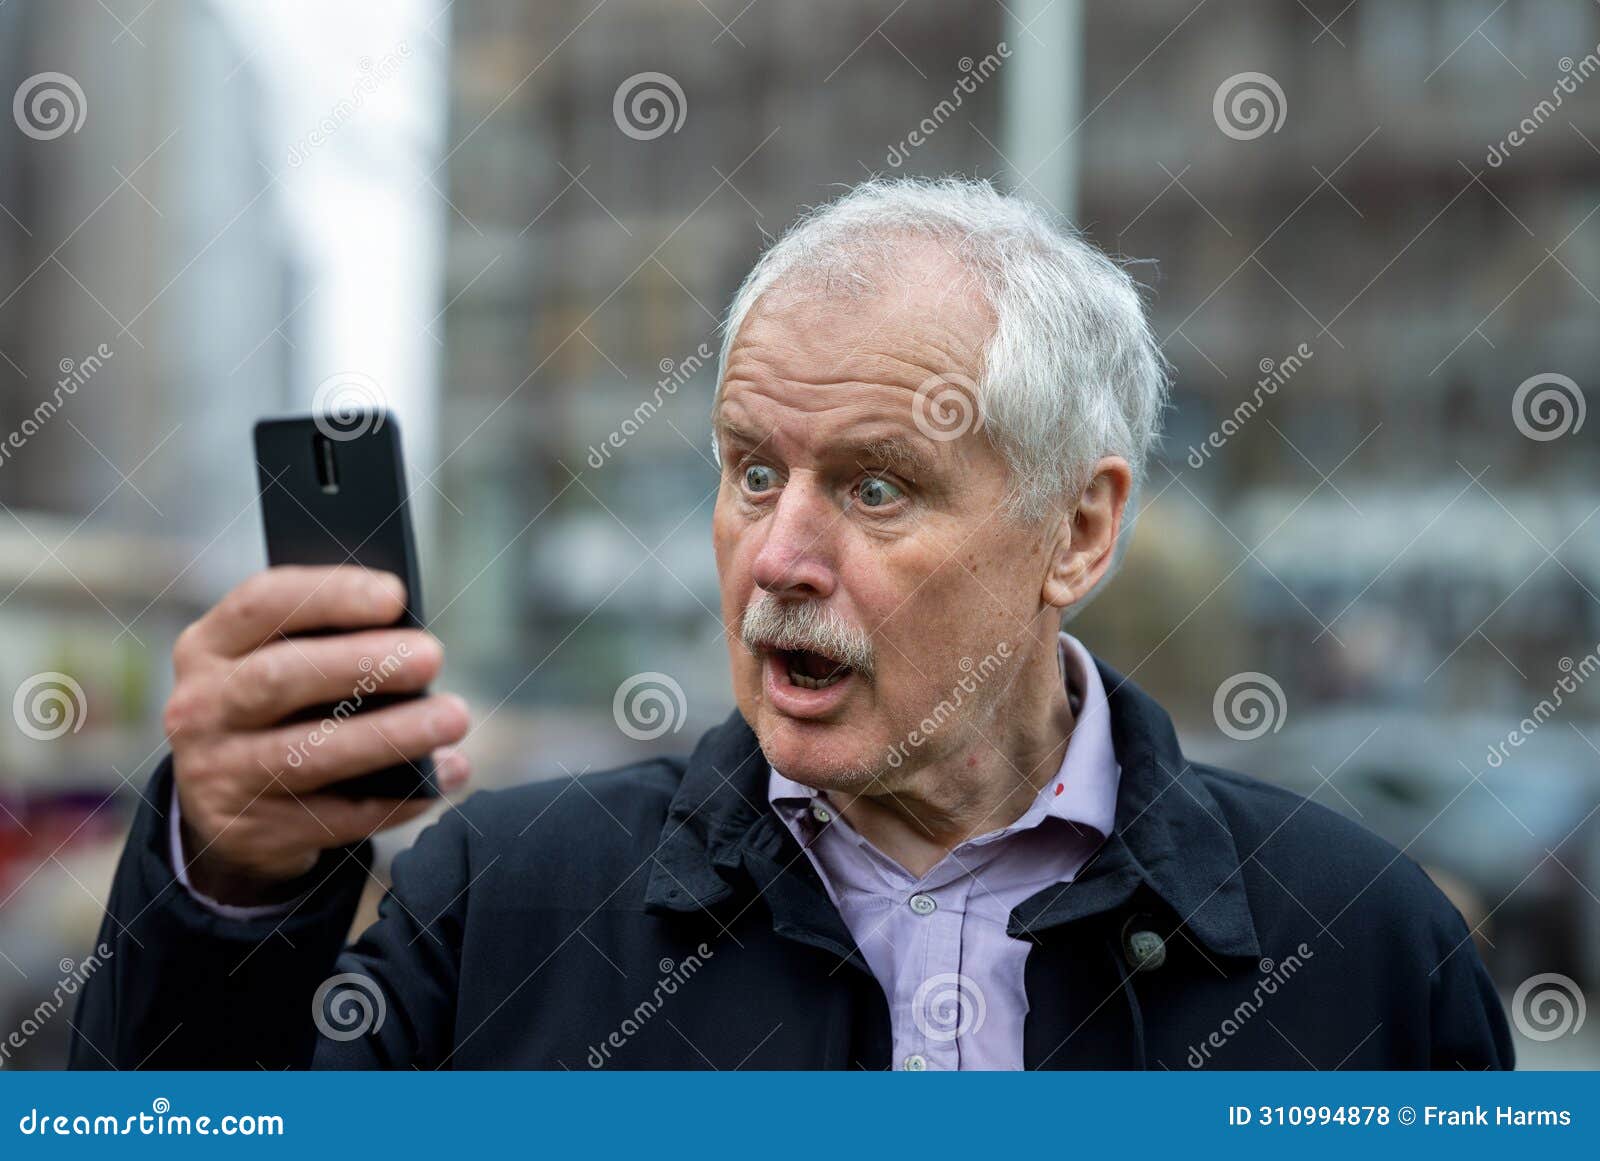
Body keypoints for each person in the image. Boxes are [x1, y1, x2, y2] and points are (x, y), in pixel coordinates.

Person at [71, 179, 1512, 1070]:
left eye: (878, 487)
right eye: (753, 471)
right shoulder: (500, 904)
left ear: (1078, 530)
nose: (780, 555)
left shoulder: (1367, 948)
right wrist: (228, 891)